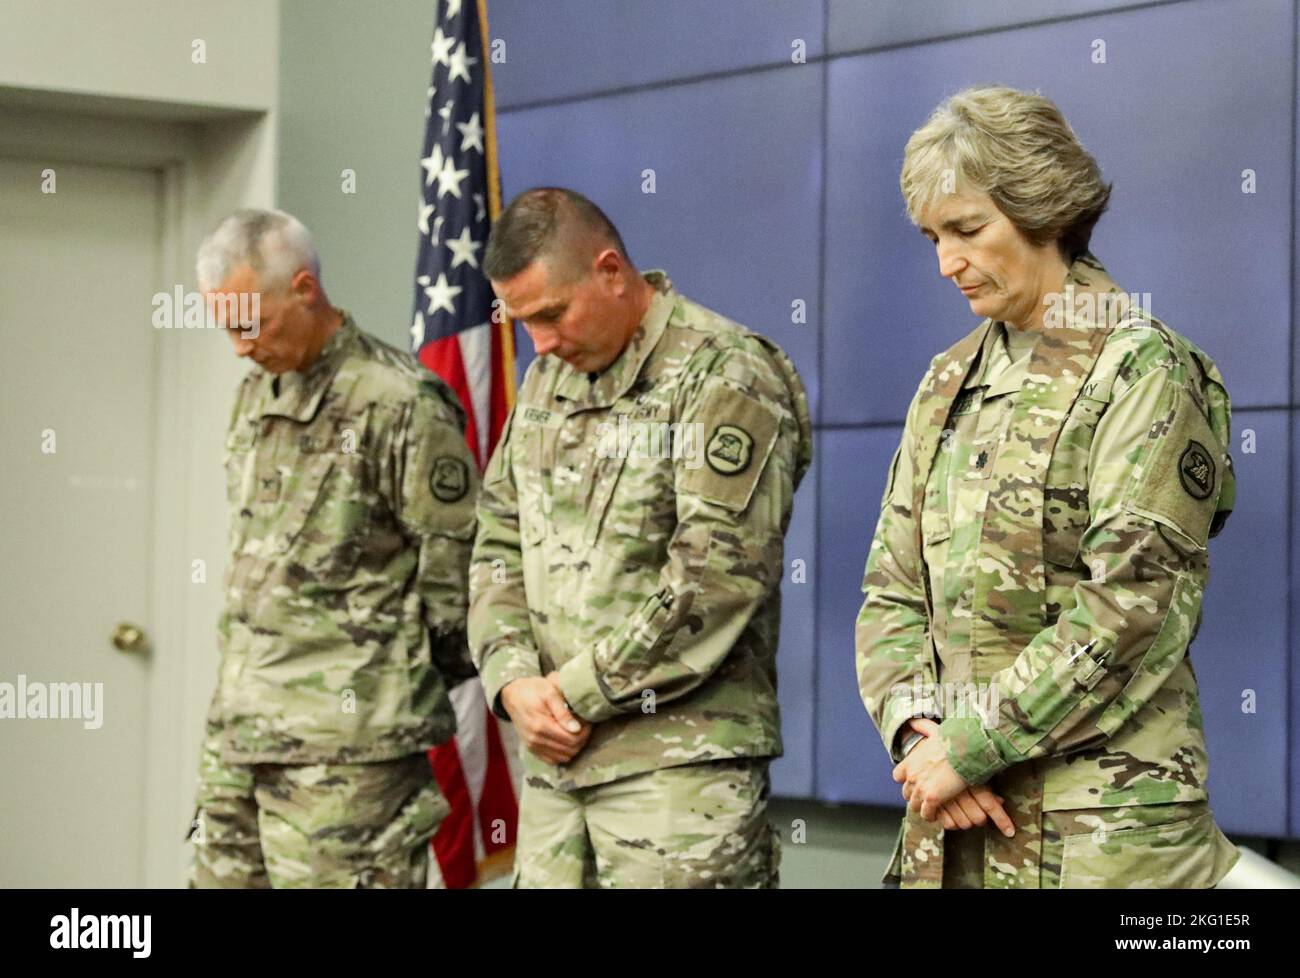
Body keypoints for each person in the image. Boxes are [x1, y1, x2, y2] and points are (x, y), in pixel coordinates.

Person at [856, 86, 1239, 888]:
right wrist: (916, 731)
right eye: (932, 236)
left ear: (1044, 209)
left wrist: (967, 746)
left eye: (967, 229)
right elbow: (891, 589)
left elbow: (1131, 604)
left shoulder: (1140, 368)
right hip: (954, 827)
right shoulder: (946, 381)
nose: (946, 262)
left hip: (1103, 836)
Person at [469, 187, 812, 888]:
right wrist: (511, 682)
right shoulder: (546, 382)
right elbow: (498, 537)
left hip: (676, 779)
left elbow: (714, 579)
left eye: (552, 315)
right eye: (523, 323)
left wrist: (570, 692)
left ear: (611, 271)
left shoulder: (725, 373)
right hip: (556, 777)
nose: (541, 343)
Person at [188, 208, 479, 888]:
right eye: (224, 327)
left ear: (304, 289)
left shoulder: (398, 402)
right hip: (241, 728)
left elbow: (457, 574)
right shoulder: (256, 394)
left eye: (249, 323)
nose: (238, 346)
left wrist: (386, 684)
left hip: (350, 751)